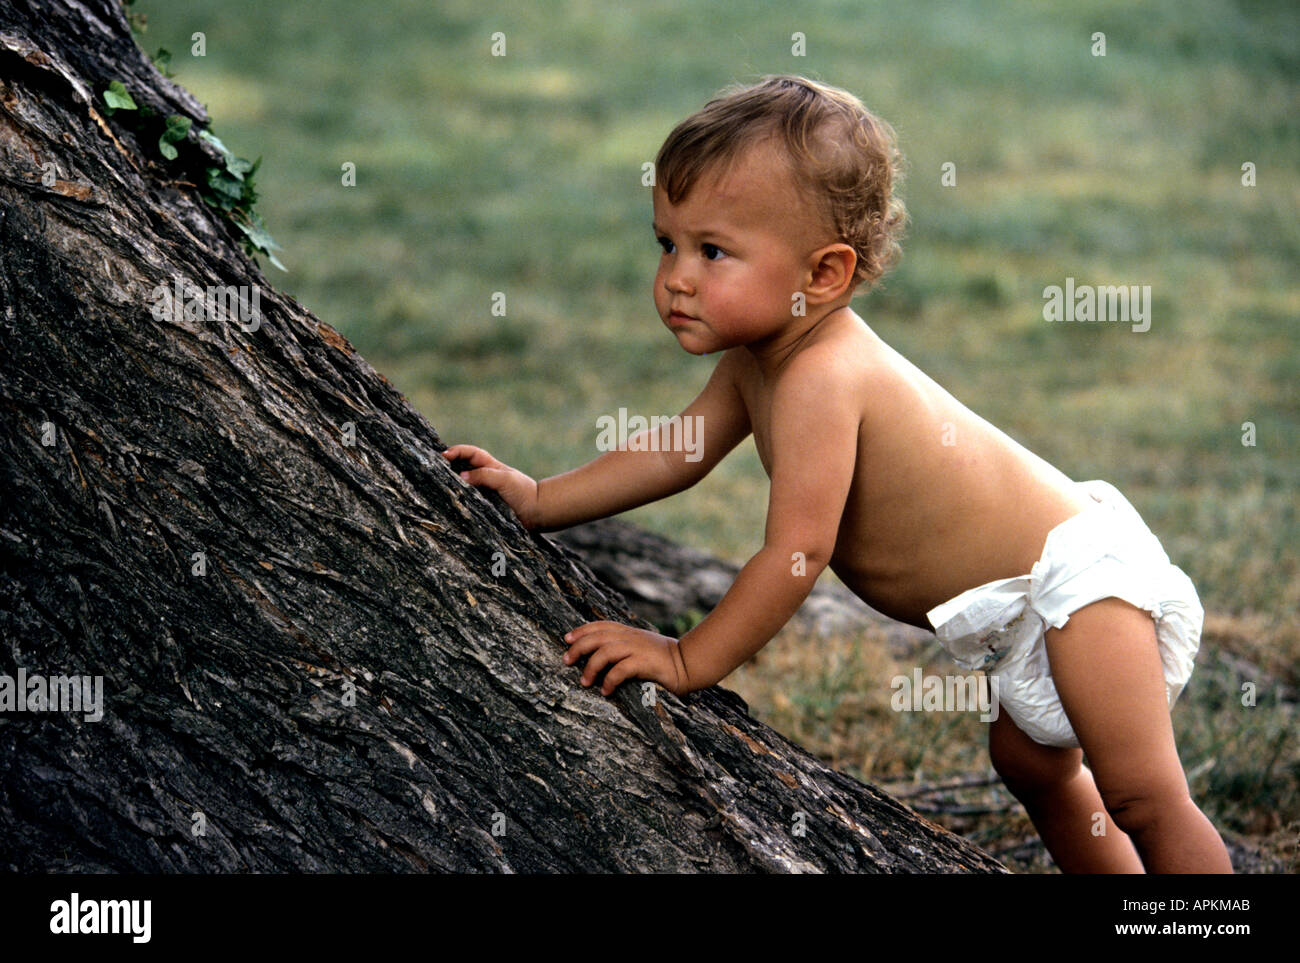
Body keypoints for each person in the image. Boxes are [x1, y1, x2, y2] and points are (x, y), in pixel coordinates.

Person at [443, 75, 1232, 873]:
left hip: (1084, 589)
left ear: (821, 274)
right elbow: (677, 449)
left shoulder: (825, 375)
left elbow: (797, 554)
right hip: (1027, 611)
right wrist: (540, 499)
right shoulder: (761, 360)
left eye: (713, 251)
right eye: (667, 244)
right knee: (1034, 768)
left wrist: (689, 660)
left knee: (1140, 794)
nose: (678, 276)